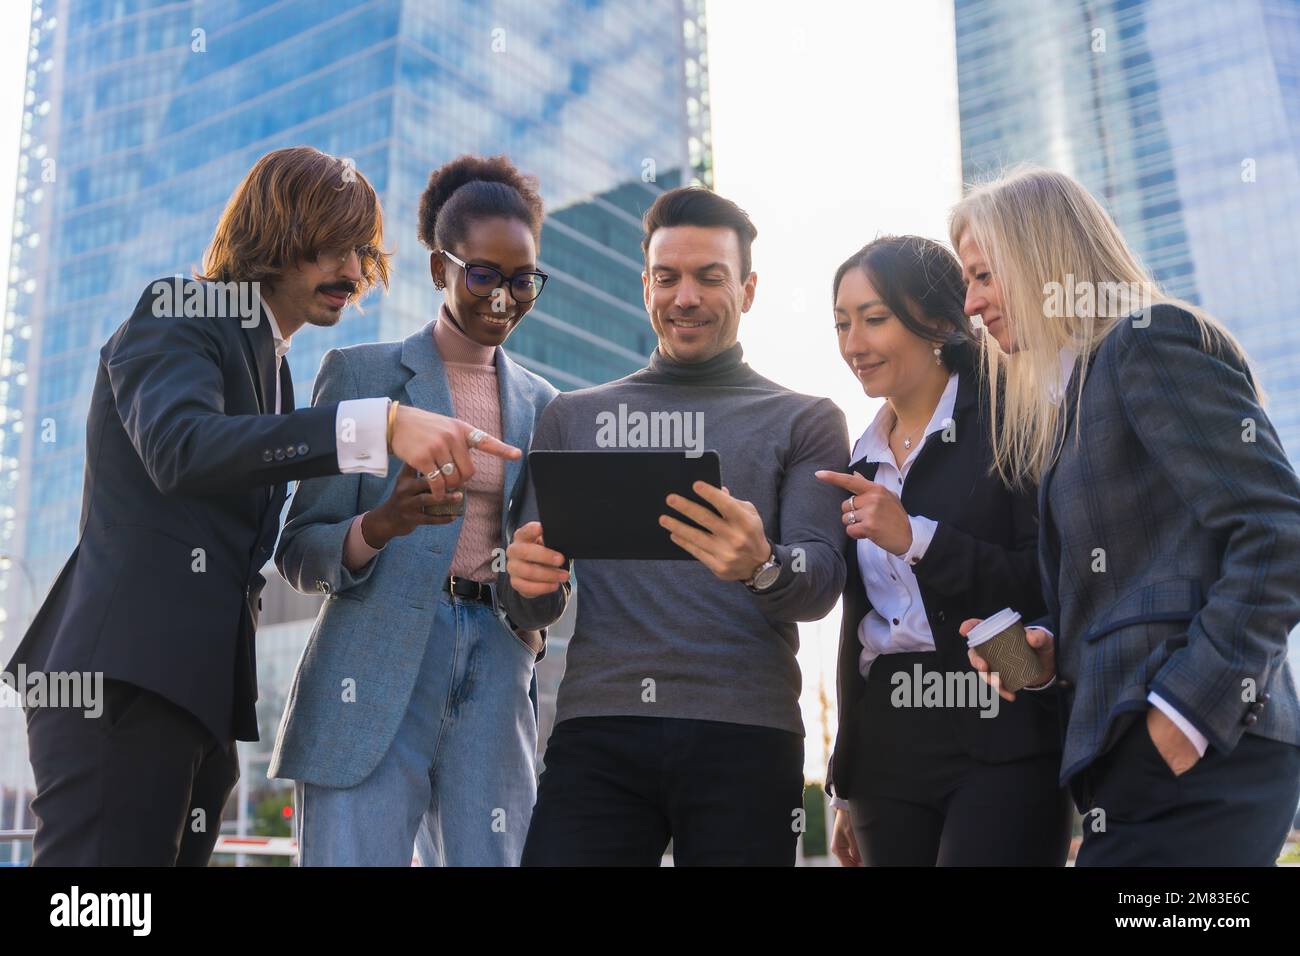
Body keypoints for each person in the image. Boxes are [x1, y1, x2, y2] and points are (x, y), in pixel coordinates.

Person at [3, 146, 519, 866]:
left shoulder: (273, 371)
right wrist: (381, 425)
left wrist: (382, 522)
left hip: (193, 700)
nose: (351, 271)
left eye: (363, 251)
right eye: (334, 245)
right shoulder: (181, 309)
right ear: (274, 233)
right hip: (119, 682)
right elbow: (182, 448)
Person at [951, 165, 1300, 866]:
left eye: (984, 275)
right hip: (1128, 757)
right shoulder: (1078, 395)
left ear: (1040, 258)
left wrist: (1186, 714)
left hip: (1201, 747)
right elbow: (1137, 583)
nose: (972, 304)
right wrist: (1047, 652)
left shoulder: (1147, 341)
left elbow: (1279, 532)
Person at [501, 186, 848, 866]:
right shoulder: (572, 417)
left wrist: (763, 564)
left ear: (747, 290)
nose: (684, 297)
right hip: (598, 730)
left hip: (748, 734)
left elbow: (824, 582)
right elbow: (531, 603)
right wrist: (525, 583)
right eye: (667, 278)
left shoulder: (807, 420)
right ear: (645, 287)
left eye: (709, 277)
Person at [270, 155, 558, 866]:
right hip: (371, 662)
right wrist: (382, 525)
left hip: (495, 664)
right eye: (483, 275)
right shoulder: (362, 375)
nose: (503, 296)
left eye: (522, 280)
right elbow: (299, 549)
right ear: (440, 270)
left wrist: (536, 601)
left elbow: (549, 579)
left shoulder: (546, 407)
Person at [817, 236, 1070, 866]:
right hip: (886, 747)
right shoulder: (858, 459)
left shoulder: (1015, 424)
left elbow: (1049, 584)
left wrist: (917, 538)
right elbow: (860, 628)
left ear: (936, 321)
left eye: (875, 319)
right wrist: (845, 781)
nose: (854, 344)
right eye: (843, 324)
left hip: (1002, 718)